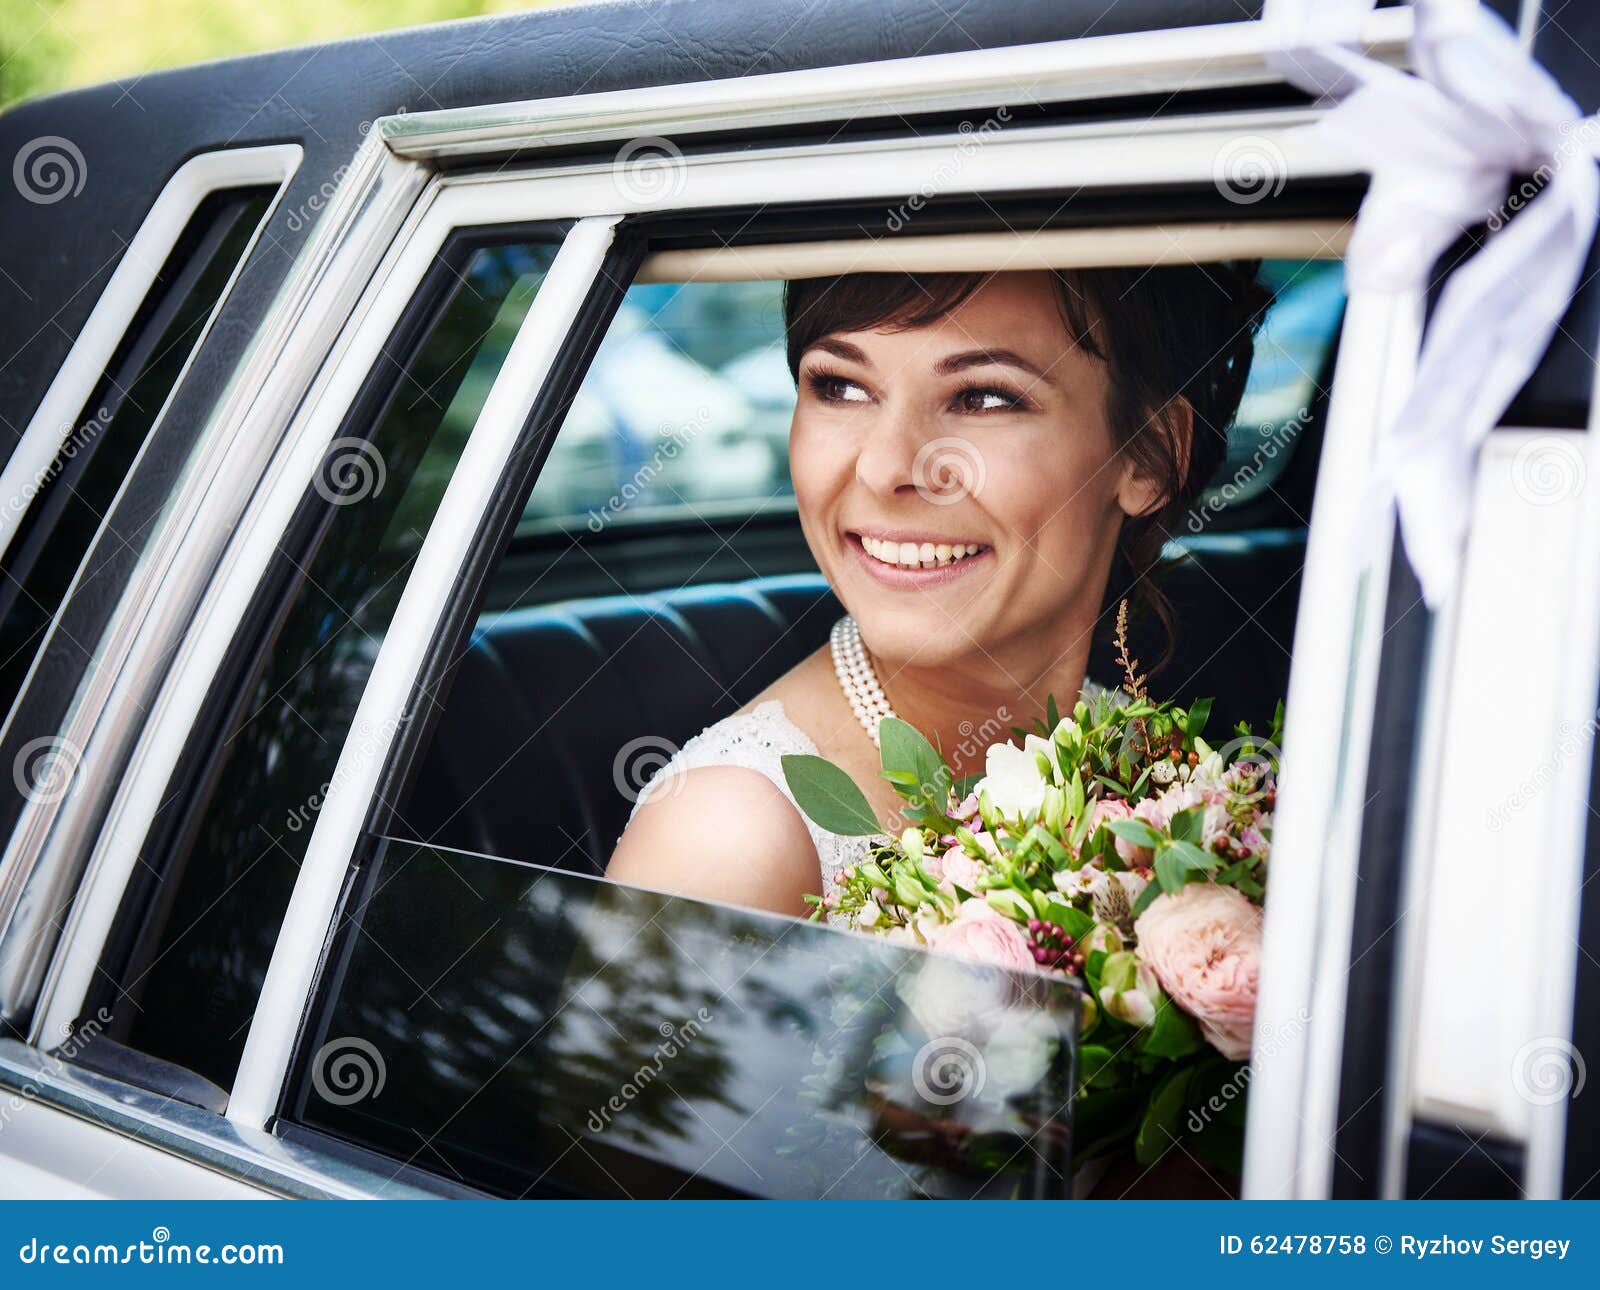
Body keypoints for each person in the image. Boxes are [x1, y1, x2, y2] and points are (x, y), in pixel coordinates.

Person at [607, 263, 1270, 920]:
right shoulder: (725, 842)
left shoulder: (1146, 761)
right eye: (841, 386)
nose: (886, 467)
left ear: (1152, 453)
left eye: (983, 398)